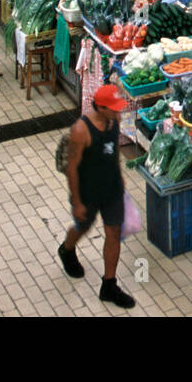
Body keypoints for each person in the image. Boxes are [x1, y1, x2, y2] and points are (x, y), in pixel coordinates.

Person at [57, 82, 136, 309]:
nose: (118, 111)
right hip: (88, 191)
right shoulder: (81, 131)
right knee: (82, 226)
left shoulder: (114, 120)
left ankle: (109, 285)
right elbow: (72, 167)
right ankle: (67, 249)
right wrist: (77, 202)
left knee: (113, 231)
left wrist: (119, 175)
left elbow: (114, 149)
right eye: (113, 108)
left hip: (111, 188)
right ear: (100, 107)